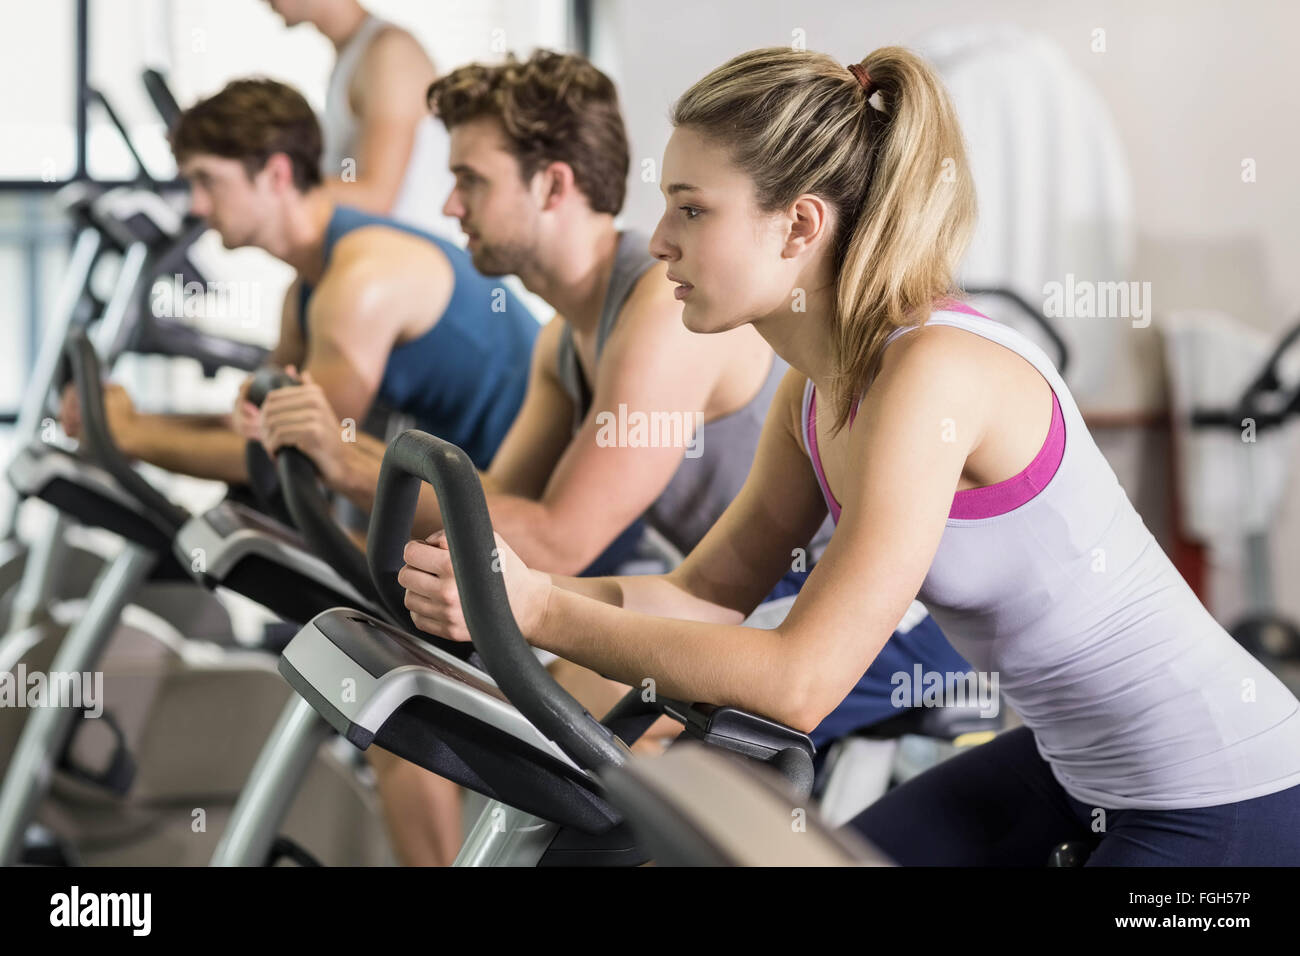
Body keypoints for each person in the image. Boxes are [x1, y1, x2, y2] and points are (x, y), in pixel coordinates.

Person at [398, 46, 1300, 866]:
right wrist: (503, 594)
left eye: (691, 209)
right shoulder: (817, 384)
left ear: (798, 227)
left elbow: (799, 681)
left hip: (1222, 794)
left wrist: (545, 613)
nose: (660, 241)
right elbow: (708, 596)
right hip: (1073, 771)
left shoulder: (931, 376)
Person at [259, 50, 974, 865]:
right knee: (450, 719)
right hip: (731, 594)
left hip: (846, 618)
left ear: (554, 185)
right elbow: (505, 511)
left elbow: (555, 540)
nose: (450, 203)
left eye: (473, 179)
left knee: (562, 745)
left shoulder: (661, 313)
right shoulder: (568, 334)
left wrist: (348, 461)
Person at [61, 78, 538, 484]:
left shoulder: (360, 280)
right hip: (472, 495)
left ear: (276, 174)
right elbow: (257, 428)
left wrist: (128, 434)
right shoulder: (306, 291)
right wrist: (133, 420)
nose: (197, 206)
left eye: (208, 181)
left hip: (523, 506)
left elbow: (289, 460)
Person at [263, 0, 457, 238]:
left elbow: (376, 197)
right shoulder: (353, 55)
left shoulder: (390, 52)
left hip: (414, 263)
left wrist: (265, 183)